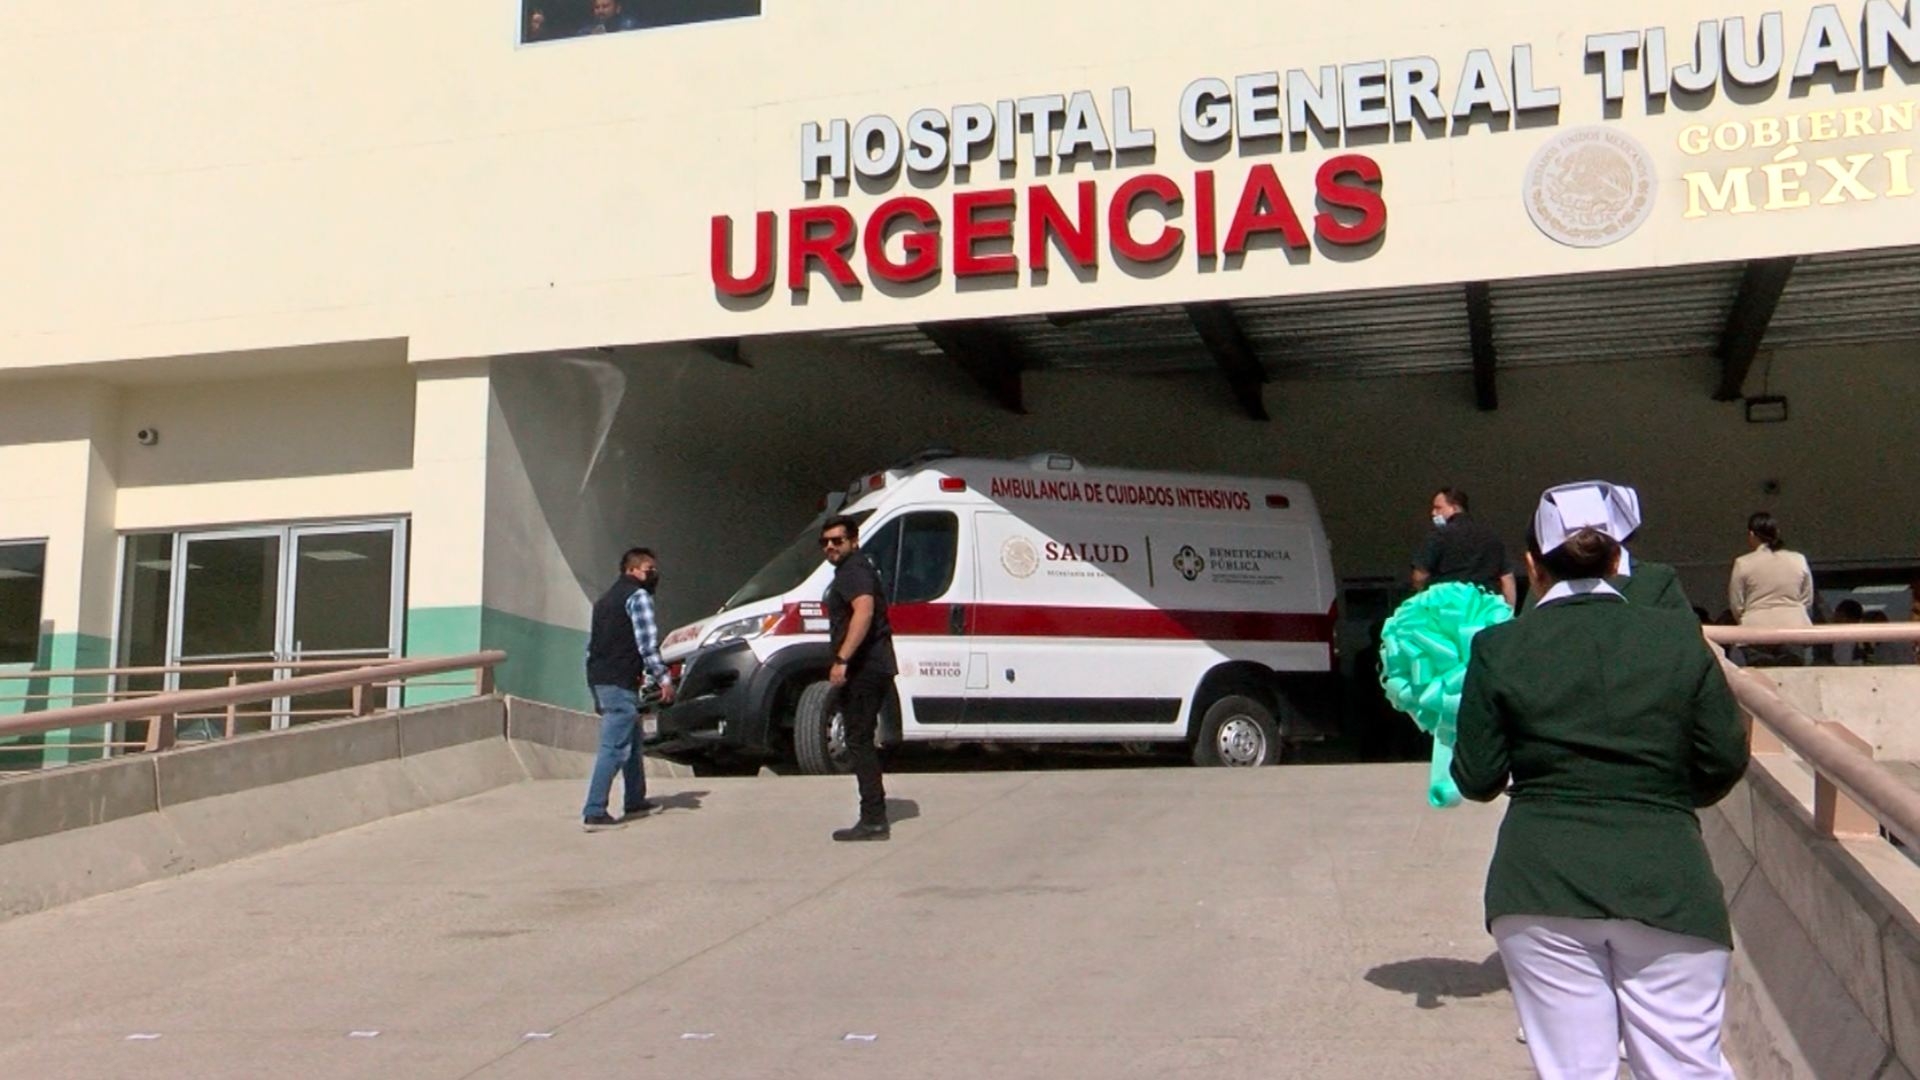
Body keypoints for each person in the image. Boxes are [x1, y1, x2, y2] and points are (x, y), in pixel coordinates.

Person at [1452, 483, 1749, 1080]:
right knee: (1686, 1066)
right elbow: (1722, 758)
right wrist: (1661, 801)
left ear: (1532, 565)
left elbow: (1478, 777)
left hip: (1539, 882)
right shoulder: (1676, 639)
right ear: (1618, 560)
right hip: (1668, 877)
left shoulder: (1498, 647)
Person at [581, 547, 672, 832]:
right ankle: (595, 812)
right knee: (615, 748)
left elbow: (591, 648)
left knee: (632, 743)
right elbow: (646, 643)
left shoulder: (604, 601)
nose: (653, 575)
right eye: (649, 569)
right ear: (632, 570)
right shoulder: (638, 597)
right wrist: (663, 678)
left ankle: (635, 800)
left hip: (602, 678)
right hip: (620, 681)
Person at [819, 515, 897, 842]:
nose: (831, 547)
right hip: (871, 666)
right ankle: (873, 814)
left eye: (838, 540)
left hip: (865, 667)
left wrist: (842, 659)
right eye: (825, 542)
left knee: (859, 740)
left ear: (854, 540)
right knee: (858, 737)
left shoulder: (854, 571)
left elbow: (863, 612)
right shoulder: (856, 569)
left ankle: (874, 818)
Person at [1729, 512, 1814, 667]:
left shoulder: (1743, 563)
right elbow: (1807, 599)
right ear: (1777, 533)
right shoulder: (1798, 560)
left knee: (1761, 679)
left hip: (1755, 629)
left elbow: (1737, 605)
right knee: (1795, 678)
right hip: (1794, 627)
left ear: (1751, 534)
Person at [1412, 487, 1517, 609]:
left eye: (1438, 508)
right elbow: (1507, 578)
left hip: (1446, 608)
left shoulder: (1439, 535)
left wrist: (1422, 598)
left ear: (1455, 508)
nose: (1433, 513)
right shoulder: (1491, 536)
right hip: (1484, 608)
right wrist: (1509, 612)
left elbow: (1420, 575)